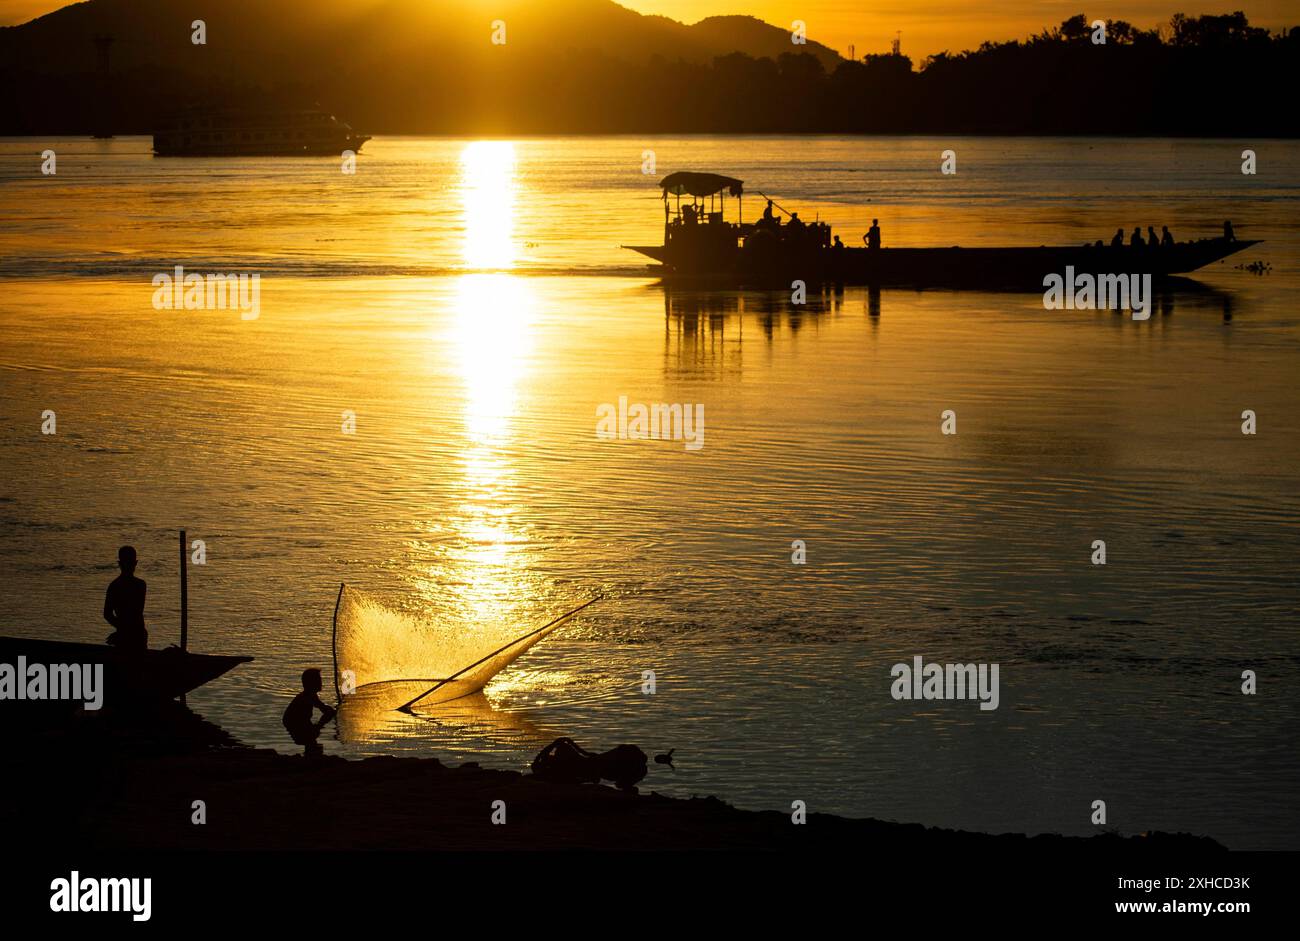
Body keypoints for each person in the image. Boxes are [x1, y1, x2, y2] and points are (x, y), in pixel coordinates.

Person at [283, 668, 337, 756]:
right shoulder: (308, 696)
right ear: (312, 683)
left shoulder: (310, 695)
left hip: (295, 726)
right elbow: (325, 711)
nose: (321, 683)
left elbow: (323, 709)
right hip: (296, 726)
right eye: (319, 680)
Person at [104, 545, 148, 650]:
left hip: (134, 635)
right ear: (135, 563)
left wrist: (122, 629)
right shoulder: (140, 585)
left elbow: (107, 614)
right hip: (137, 634)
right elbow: (136, 613)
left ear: (119, 564)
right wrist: (124, 630)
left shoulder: (114, 586)